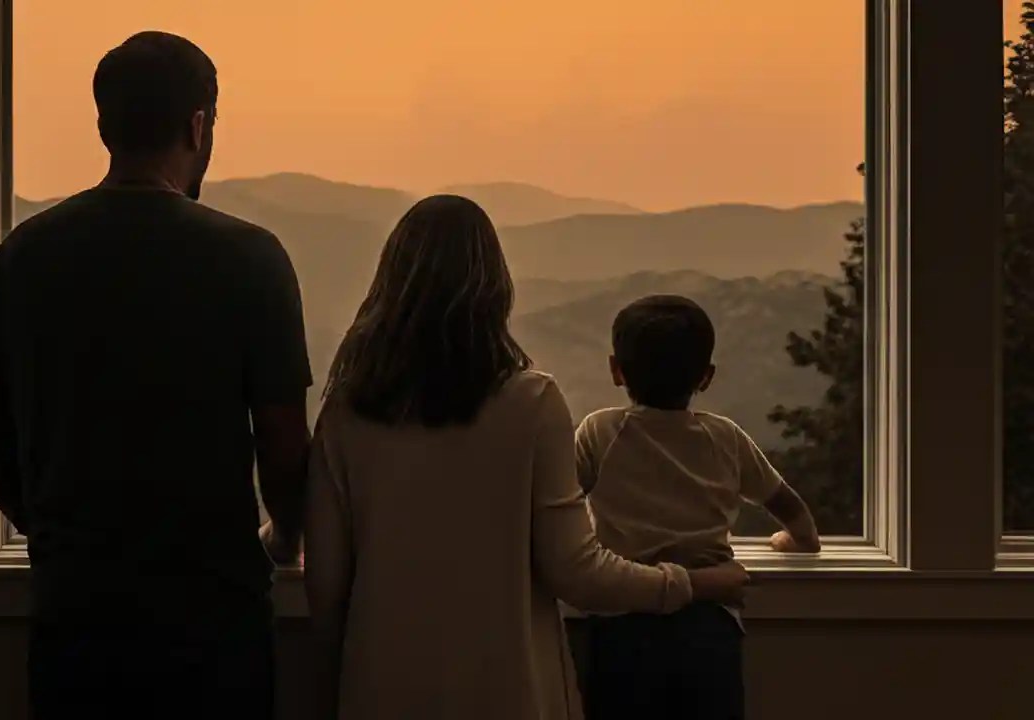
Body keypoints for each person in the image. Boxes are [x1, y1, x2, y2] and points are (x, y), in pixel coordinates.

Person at [0, 32, 311, 719]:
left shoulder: (23, 258)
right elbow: (281, 443)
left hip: (77, 616)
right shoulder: (251, 259)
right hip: (213, 623)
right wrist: (288, 540)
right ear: (198, 125)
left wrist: (51, 528)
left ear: (103, 126)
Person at [303, 196, 750, 720]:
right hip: (511, 693)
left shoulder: (346, 410)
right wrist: (693, 582)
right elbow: (577, 571)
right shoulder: (531, 402)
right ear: (495, 289)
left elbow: (326, 584)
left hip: (380, 693)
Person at [574, 294, 822, 720]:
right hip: (709, 624)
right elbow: (790, 510)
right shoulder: (724, 437)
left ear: (616, 369)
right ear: (705, 377)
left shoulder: (600, 431)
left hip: (623, 621)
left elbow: (559, 503)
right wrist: (794, 540)